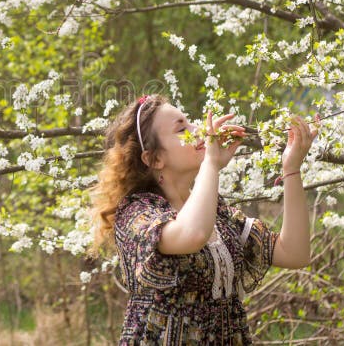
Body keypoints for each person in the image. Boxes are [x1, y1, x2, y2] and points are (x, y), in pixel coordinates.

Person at [89, 94, 318, 345]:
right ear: (154, 159)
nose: (197, 130)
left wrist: (291, 169)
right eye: (182, 128)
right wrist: (211, 162)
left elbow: (294, 253)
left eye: (191, 122)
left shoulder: (216, 213)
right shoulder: (136, 214)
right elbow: (192, 234)